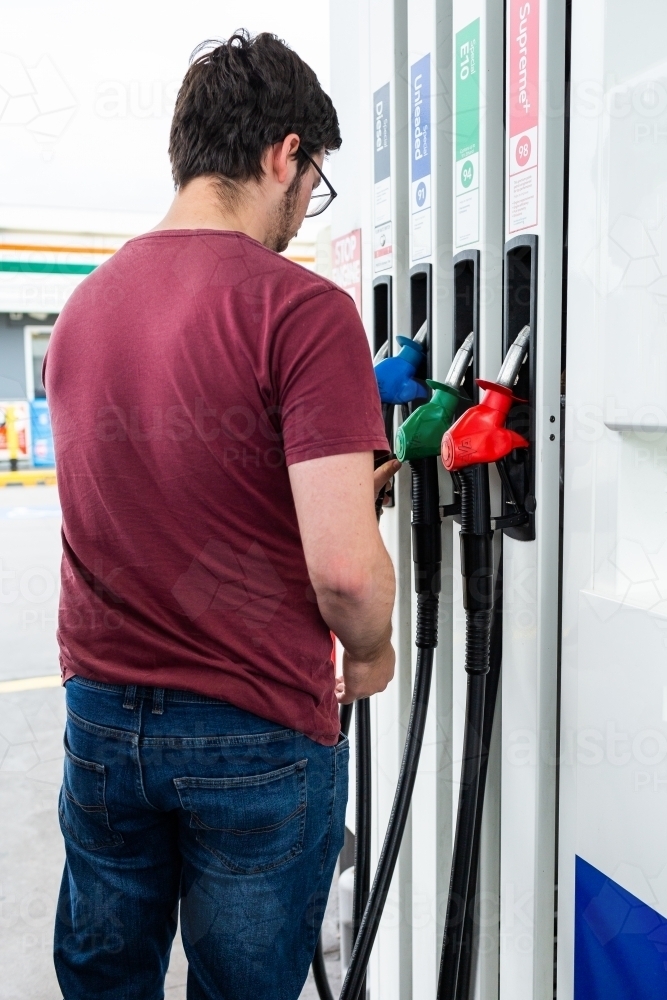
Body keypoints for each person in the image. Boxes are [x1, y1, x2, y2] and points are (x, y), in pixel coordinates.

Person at [45, 30, 398, 1000]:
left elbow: (148, 492)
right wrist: (372, 652)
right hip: (254, 732)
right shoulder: (303, 311)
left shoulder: (82, 312)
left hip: (101, 722)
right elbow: (345, 573)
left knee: (104, 982)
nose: (303, 209)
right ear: (285, 154)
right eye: (313, 183)